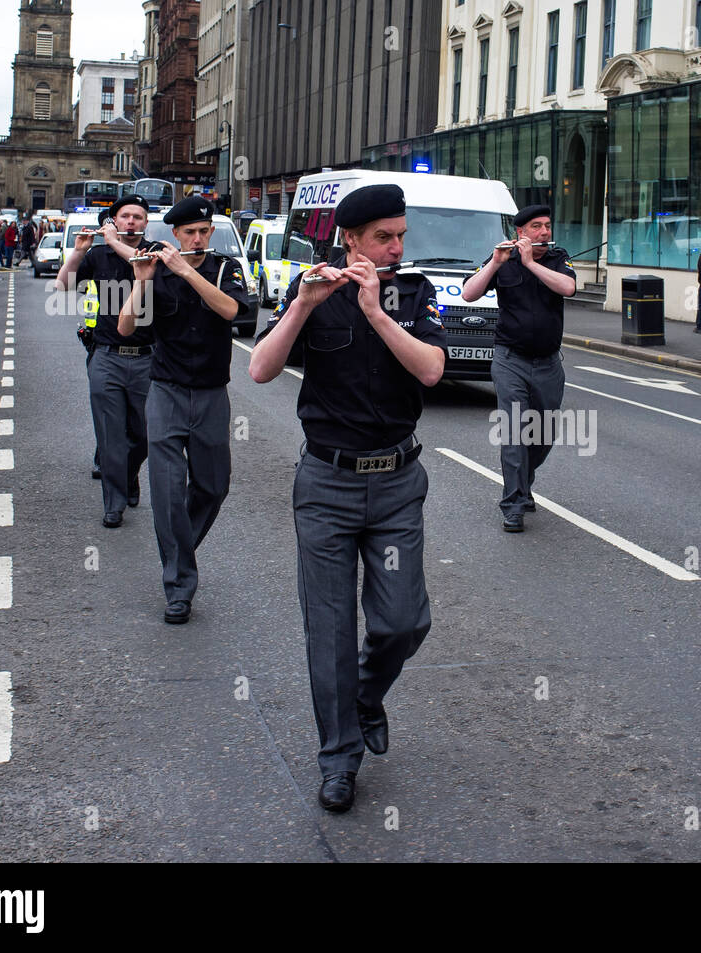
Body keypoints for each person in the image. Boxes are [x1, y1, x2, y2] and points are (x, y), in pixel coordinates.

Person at [250, 184, 446, 813]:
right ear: (352, 239)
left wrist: (378, 311)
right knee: (329, 630)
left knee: (403, 620)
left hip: (394, 482)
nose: (395, 247)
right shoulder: (312, 289)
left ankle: (365, 697)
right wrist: (305, 307)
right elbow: (260, 369)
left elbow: (432, 370)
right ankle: (338, 758)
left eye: (401, 236)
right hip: (327, 486)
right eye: (383, 237)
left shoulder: (414, 292)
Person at [117, 196, 254, 624]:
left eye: (203, 231)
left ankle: (179, 548)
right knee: (167, 489)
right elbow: (125, 326)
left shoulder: (226, 269)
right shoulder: (154, 271)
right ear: (174, 235)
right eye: (189, 233)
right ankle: (178, 585)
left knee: (214, 486)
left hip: (212, 393)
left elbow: (232, 310)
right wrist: (142, 280)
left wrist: (186, 272)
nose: (197, 238)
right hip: (166, 392)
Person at [461, 204, 577, 533]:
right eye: (536, 227)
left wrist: (530, 263)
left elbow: (567, 288)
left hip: (548, 363)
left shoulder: (558, 259)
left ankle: (524, 484)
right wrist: (496, 262)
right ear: (520, 233)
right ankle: (512, 505)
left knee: (542, 434)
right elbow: (469, 293)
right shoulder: (504, 260)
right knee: (514, 434)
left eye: (547, 226)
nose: (544, 232)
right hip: (509, 360)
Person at [57, 194, 154, 527]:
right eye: (124, 216)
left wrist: (114, 241)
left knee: (144, 434)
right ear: (114, 221)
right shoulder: (98, 255)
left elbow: (141, 264)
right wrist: (79, 252)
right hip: (107, 356)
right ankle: (113, 503)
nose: (131, 222)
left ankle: (129, 475)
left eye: (137, 217)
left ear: (145, 223)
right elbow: (63, 286)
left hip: (147, 359)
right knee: (111, 434)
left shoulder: (153, 253)